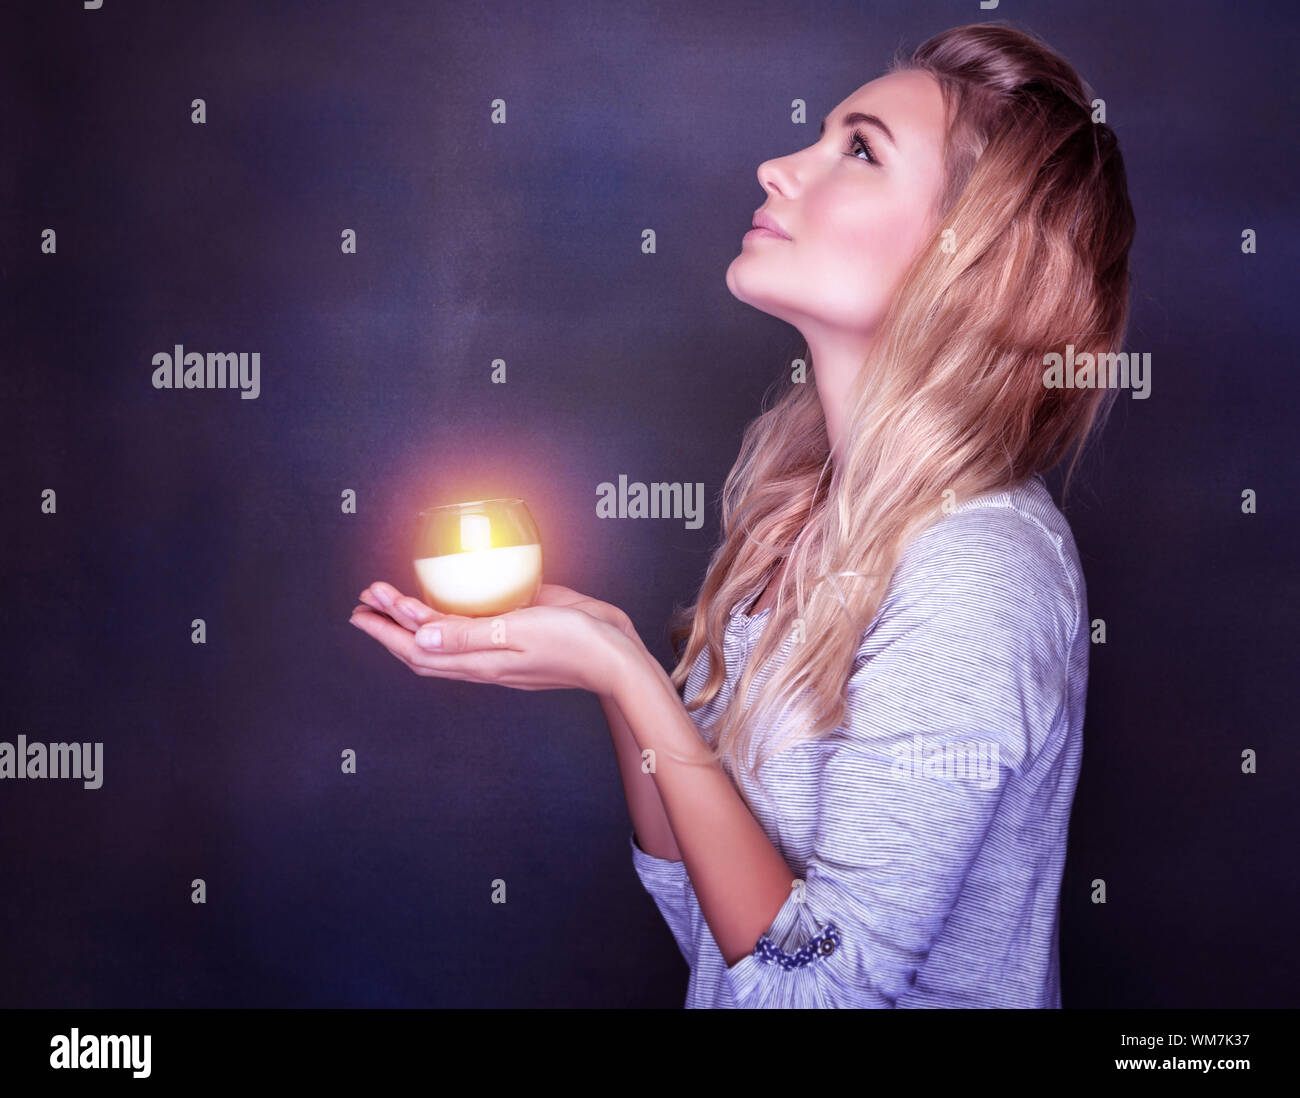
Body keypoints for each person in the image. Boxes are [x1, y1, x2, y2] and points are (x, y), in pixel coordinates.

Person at [349, 21, 1136, 1008]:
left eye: (858, 150)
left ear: (974, 260)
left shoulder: (978, 565)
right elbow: (714, 927)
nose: (775, 167)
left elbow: (818, 992)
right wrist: (610, 650)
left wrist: (629, 679)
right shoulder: (805, 510)